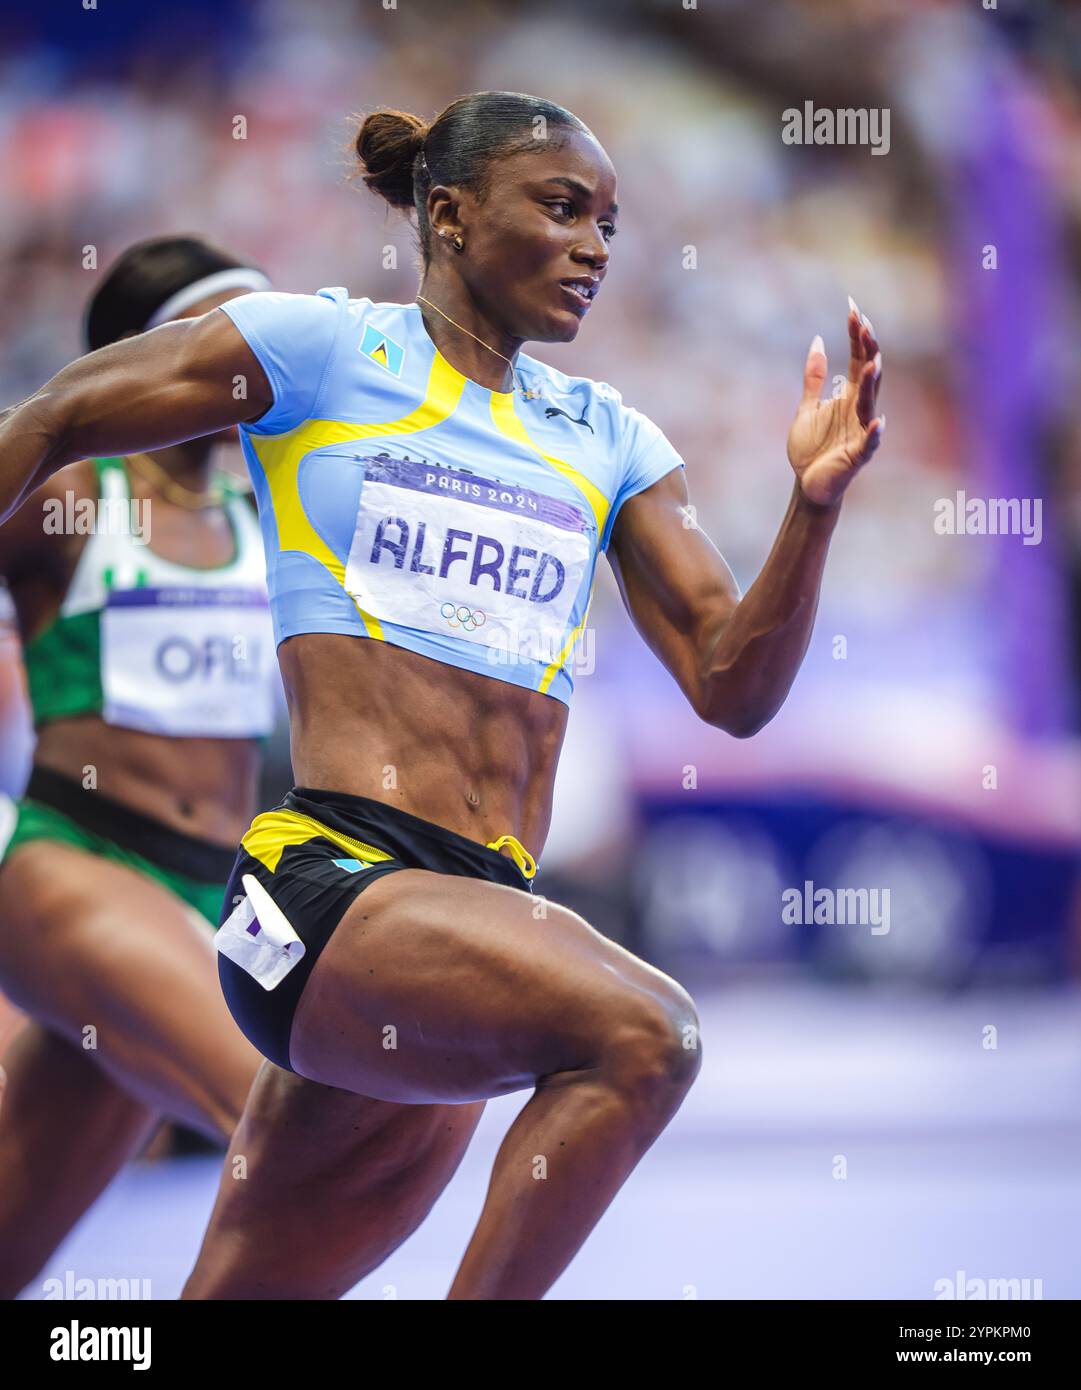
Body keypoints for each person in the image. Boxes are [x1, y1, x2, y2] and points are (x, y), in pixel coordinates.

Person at [0, 92, 884, 1301]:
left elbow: (733, 686)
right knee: (644, 1035)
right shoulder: (320, 350)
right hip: (328, 894)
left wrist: (812, 510)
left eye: (611, 223)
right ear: (452, 216)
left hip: (463, 936)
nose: (597, 247)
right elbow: (51, 417)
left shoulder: (609, 437)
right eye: (563, 208)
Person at [0, 236, 279, 1297]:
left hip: (216, 894)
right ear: (150, 358)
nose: (260, 361)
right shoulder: (69, 494)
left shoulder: (265, 511)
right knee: (286, 1114)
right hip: (78, 864)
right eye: (233, 335)